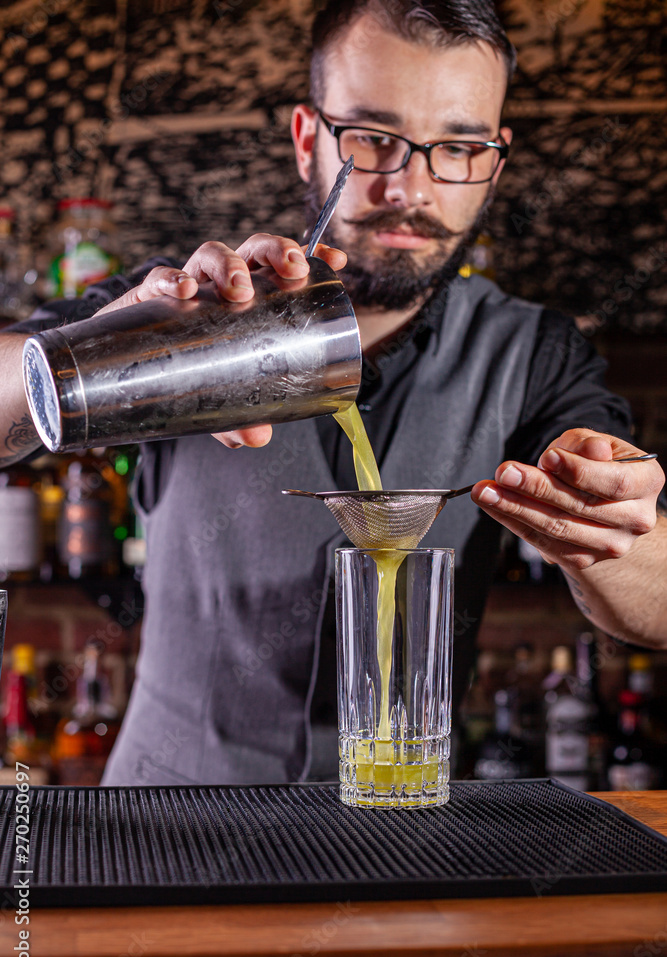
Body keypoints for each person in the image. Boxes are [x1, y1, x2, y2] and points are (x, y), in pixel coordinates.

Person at [1, 0, 665, 785]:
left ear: (494, 157)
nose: (409, 188)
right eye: (374, 139)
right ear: (309, 139)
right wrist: (94, 351)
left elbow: (651, 607)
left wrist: (605, 525)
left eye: (456, 146)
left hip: (403, 839)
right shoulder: (184, 310)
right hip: (169, 831)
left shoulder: (537, 355)